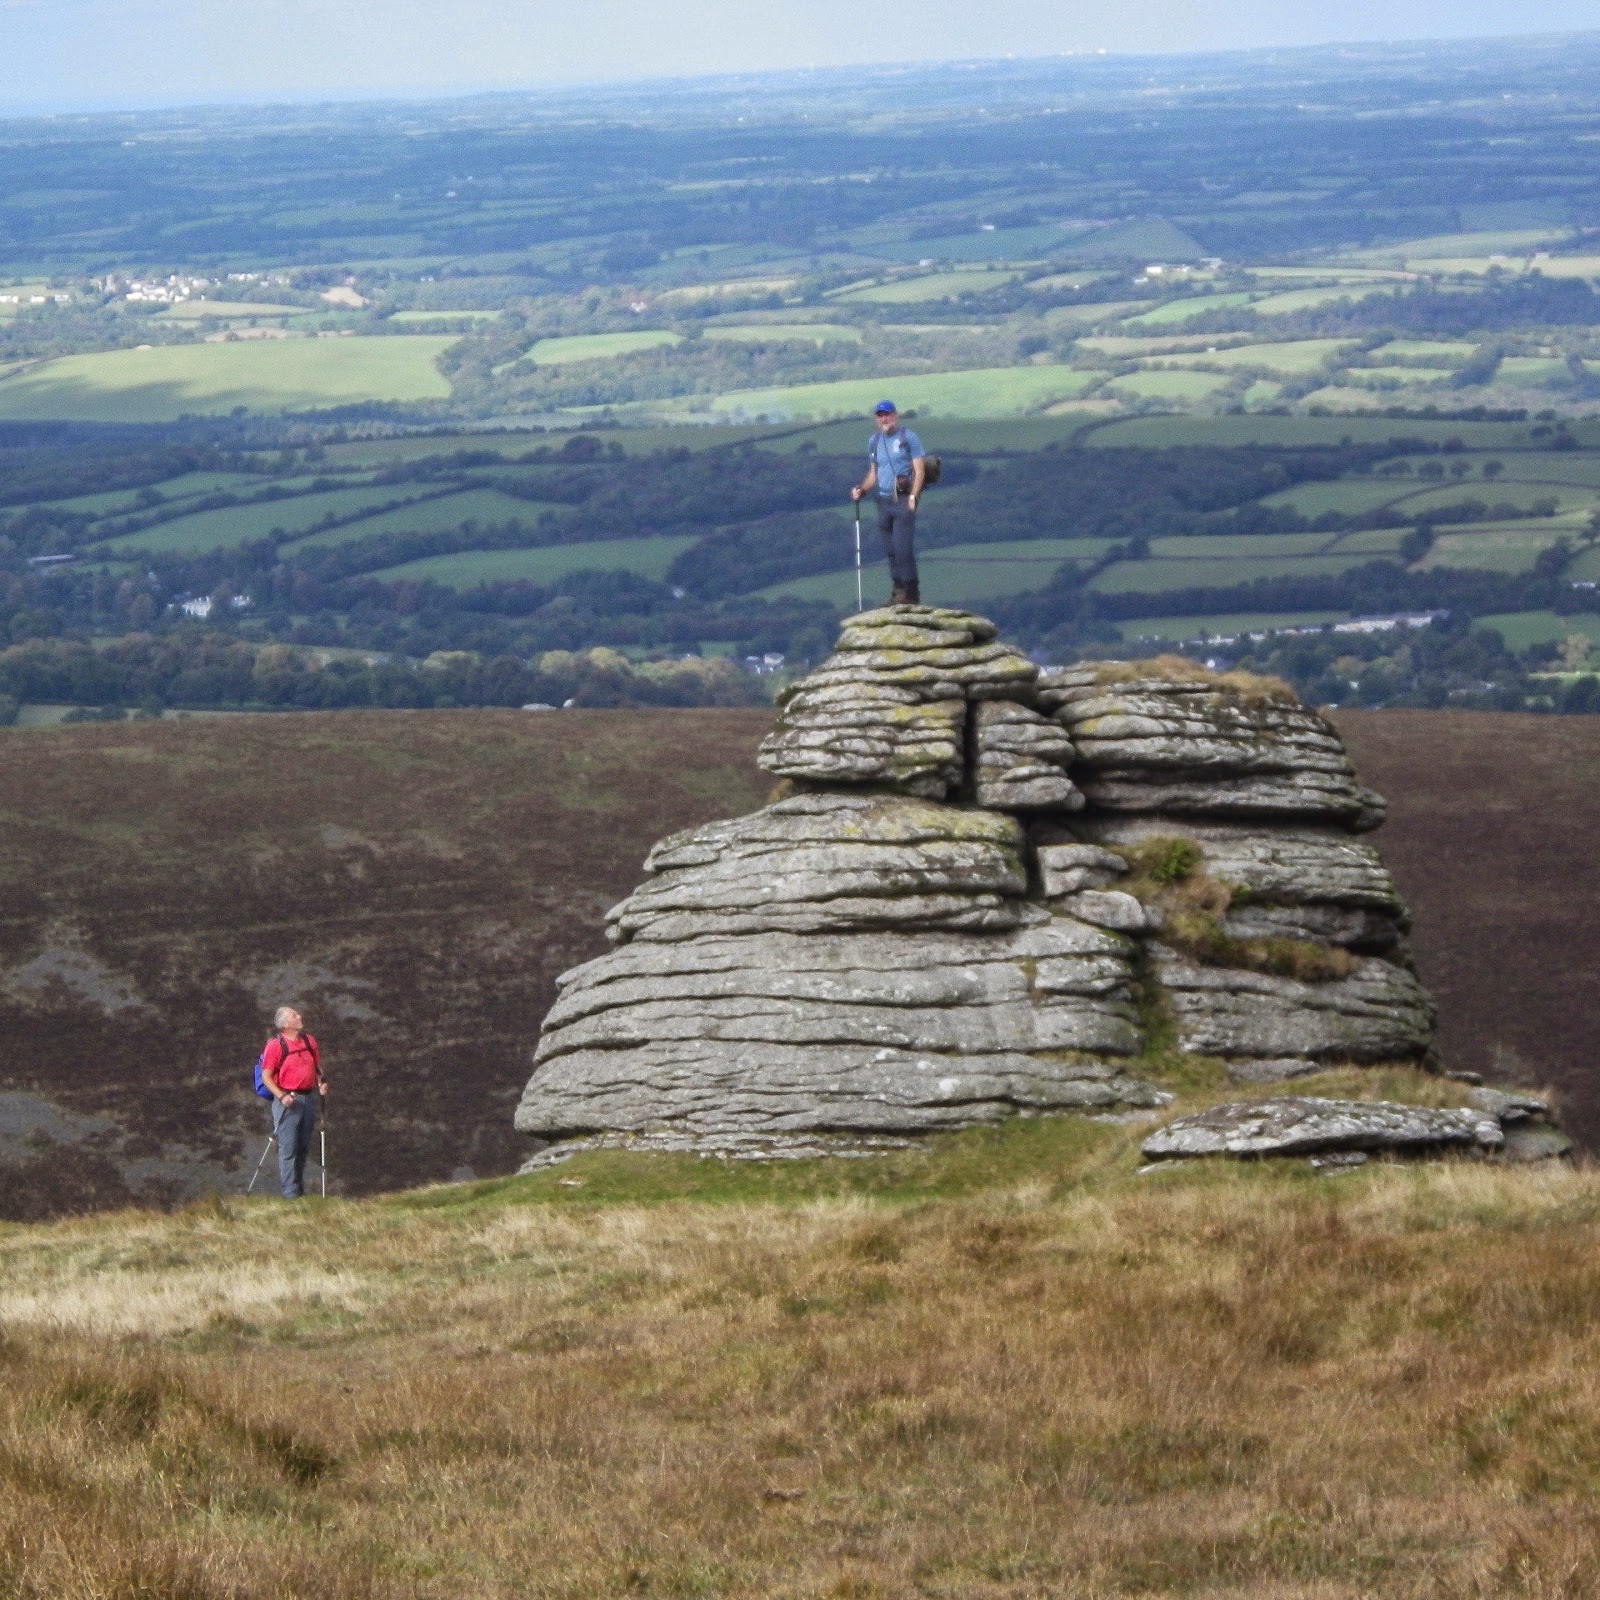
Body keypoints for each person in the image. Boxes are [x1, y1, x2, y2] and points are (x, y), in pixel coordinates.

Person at [851, 400, 926, 605]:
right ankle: (898, 590)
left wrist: (913, 496)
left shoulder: (908, 438)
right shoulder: (874, 441)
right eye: (880, 415)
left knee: (902, 548)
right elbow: (874, 473)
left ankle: (911, 593)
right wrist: (862, 490)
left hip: (903, 499)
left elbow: (919, 470)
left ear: (895, 415)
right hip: (883, 502)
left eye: (887, 414)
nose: (884, 419)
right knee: (890, 550)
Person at [259, 1005, 326, 1199]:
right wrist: (281, 1096)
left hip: (307, 1099)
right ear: (286, 1024)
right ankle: (290, 1194)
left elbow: (316, 1067)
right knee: (288, 1149)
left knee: (303, 1147)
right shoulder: (275, 1046)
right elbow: (266, 1077)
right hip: (287, 1101)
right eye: (295, 1015)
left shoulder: (309, 1041)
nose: (299, 1016)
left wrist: (321, 1083)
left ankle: (299, 1192)